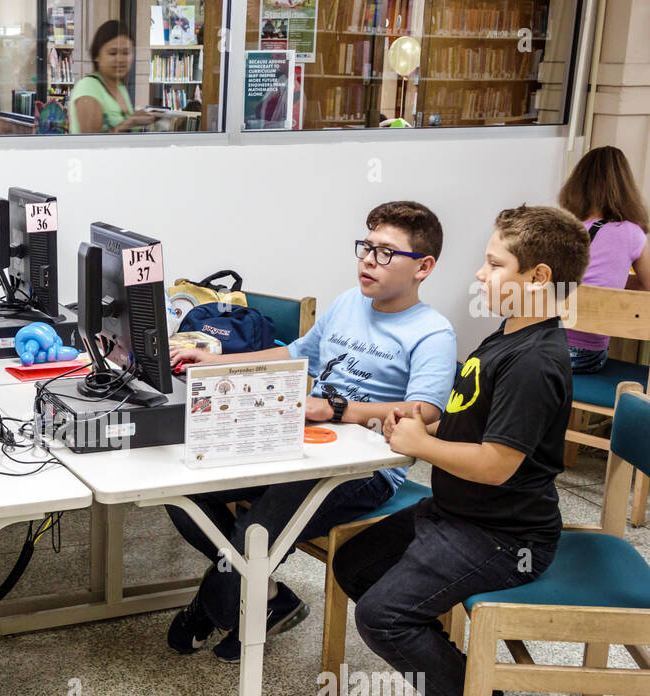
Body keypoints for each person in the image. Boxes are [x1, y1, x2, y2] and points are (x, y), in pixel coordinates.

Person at [333, 205, 590, 696]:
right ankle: (455, 684)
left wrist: (423, 447)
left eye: (495, 264)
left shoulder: (535, 361)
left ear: (539, 278)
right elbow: (473, 419)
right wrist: (429, 426)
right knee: (355, 565)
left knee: (382, 615)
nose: (479, 274)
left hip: (505, 536)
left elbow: (497, 464)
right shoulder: (506, 336)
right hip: (454, 512)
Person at [167, 201, 457, 662]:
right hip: (299, 440)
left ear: (423, 267)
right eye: (367, 246)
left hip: (363, 470)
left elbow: (426, 414)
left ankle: (217, 605)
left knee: (257, 529)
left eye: (386, 253)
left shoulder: (432, 333)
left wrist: (337, 409)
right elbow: (297, 353)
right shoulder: (348, 303)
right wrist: (215, 361)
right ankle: (265, 597)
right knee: (182, 488)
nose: (368, 260)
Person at [556, 145, 650, 373]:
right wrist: (614, 280)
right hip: (585, 356)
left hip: (545, 346)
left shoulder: (563, 228)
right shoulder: (632, 233)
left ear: (576, 185)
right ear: (626, 189)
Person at [69, 21, 156, 134]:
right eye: (112, 53)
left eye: (126, 53)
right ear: (96, 55)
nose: (120, 60)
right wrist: (131, 121)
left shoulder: (119, 86)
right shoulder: (88, 87)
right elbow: (91, 142)